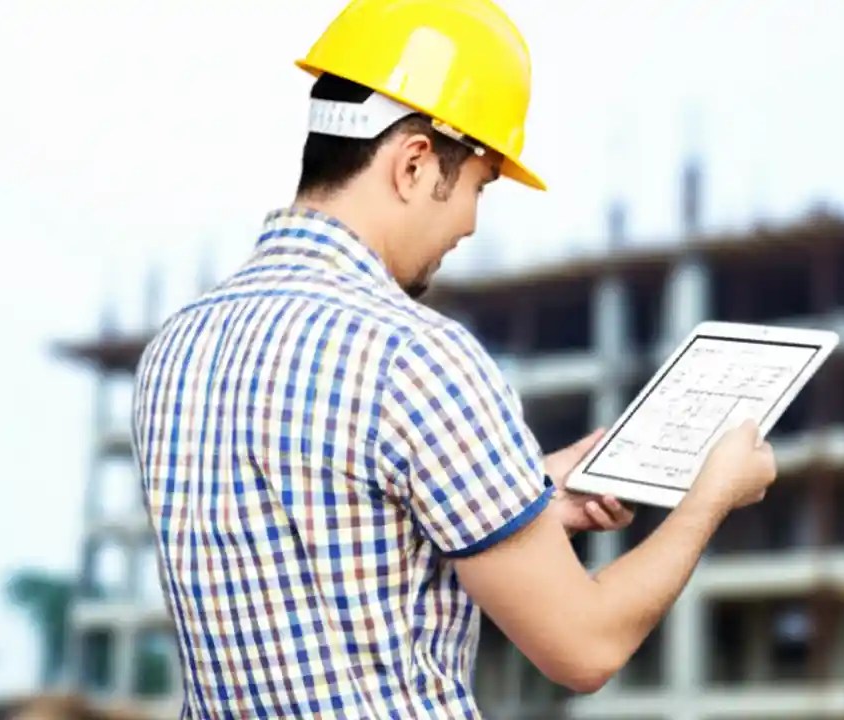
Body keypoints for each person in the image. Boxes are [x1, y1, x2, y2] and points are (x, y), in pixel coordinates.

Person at [129, 0, 780, 717]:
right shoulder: (416, 354)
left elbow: (326, 527)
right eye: (476, 185)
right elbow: (585, 647)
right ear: (413, 163)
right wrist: (709, 496)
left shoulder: (177, 347)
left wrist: (523, 492)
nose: (470, 223)